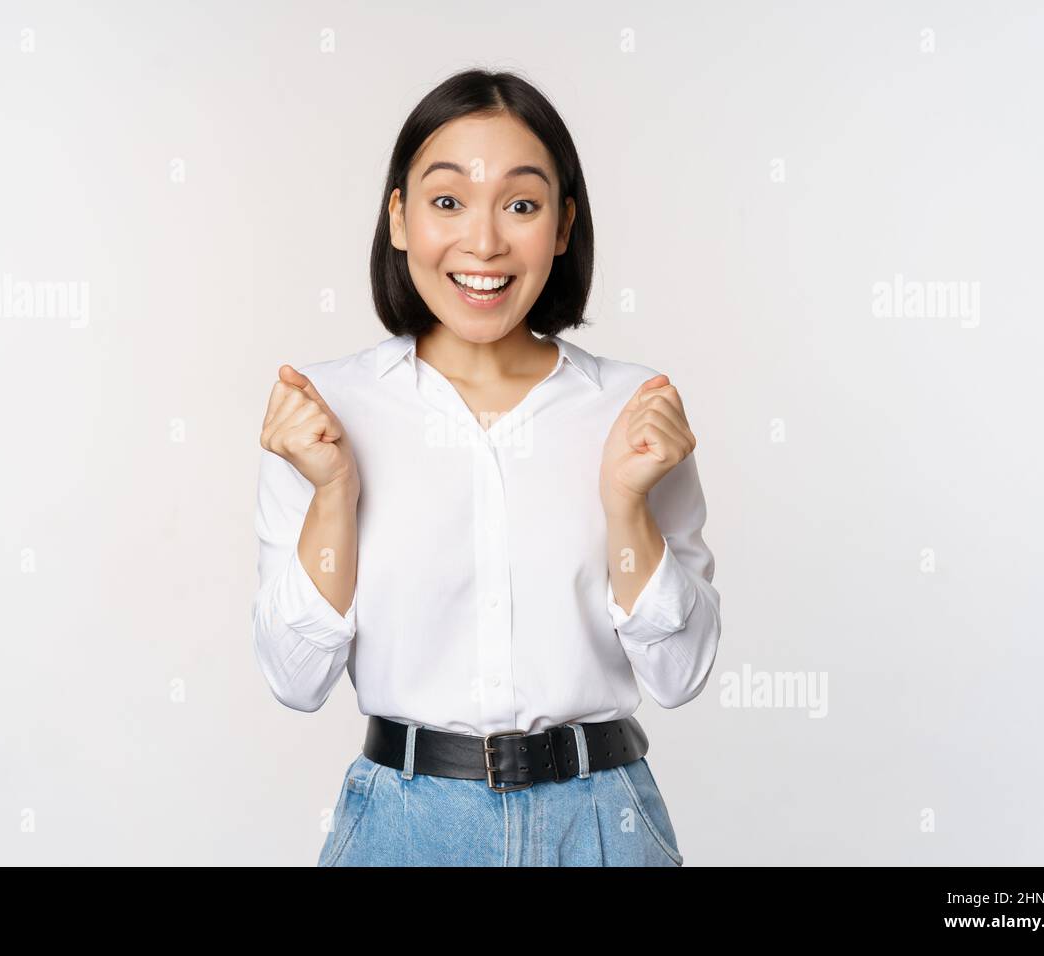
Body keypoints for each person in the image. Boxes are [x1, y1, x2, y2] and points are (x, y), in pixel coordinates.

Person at [252, 69, 722, 866]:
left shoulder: (631, 409)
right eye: (446, 202)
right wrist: (334, 493)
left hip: (603, 822)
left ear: (563, 226)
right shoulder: (325, 410)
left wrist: (626, 505)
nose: (484, 242)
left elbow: (680, 675)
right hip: (404, 828)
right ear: (399, 219)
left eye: (521, 204)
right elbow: (295, 681)